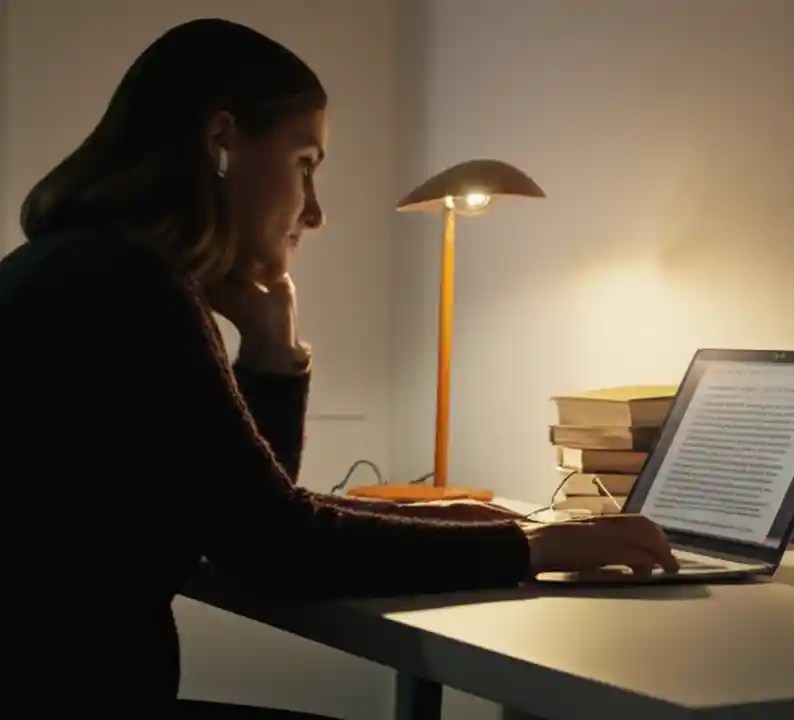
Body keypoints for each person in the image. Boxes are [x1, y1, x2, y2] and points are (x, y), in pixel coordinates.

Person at [0, 17, 677, 718]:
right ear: (221, 142)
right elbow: (275, 547)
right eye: (305, 165)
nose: (314, 212)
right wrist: (529, 547)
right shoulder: (126, 290)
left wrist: (271, 349)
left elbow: (234, 515)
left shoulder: (80, 268)